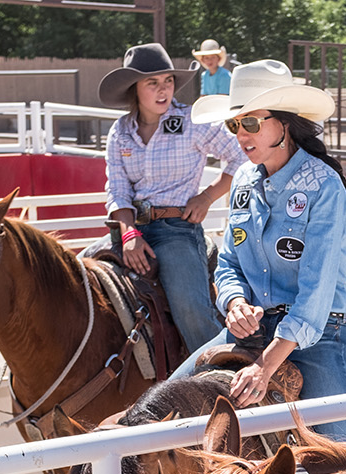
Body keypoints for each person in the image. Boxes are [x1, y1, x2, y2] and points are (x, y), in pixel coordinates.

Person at [170, 59, 346, 443]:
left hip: (318, 335)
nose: (241, 136)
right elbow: (228, 261)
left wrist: (264, 367)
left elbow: (316, 292)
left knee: (342, 455)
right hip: (253, 329)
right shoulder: (243, 179)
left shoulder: (324, 186)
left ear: (285, 123)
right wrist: (234, 304)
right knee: (163, 411)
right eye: (234, 125)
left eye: (251, 123)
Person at [99, 42, 248, 351]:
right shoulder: (121, 131)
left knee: (192, 313)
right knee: (77, 276)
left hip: (176, 230)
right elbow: (117, 188)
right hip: (130, 230)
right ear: (134, 90)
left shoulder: (193, 121)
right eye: (152, 83)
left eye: (167, 81)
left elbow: (241, 157)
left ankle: (216, 374)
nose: (163, 89)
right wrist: (129, 234)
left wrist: (206, 197)